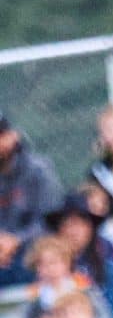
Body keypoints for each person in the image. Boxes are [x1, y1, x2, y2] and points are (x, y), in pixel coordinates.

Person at [0, 112, 65, 287]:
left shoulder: (38, 171)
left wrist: (15, 240)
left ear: (13, 135)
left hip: (33, 256)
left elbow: (52, 221)